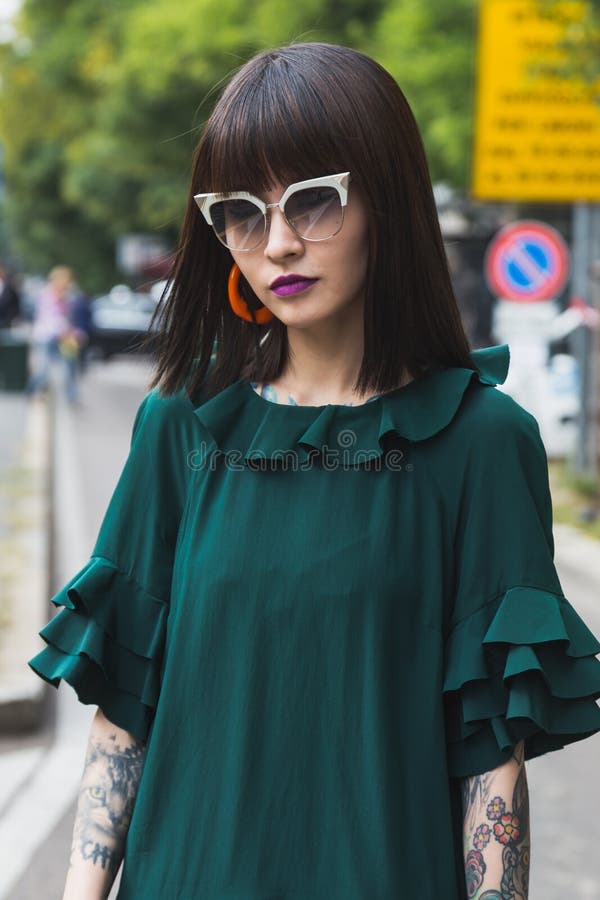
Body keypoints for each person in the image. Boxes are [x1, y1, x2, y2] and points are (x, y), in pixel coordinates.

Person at [28, 43, 600, 900]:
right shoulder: (179, 425)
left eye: (314, 200)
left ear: (387, 202)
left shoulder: (482, 441)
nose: (280, 243)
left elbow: (493, 768)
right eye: (244, 214)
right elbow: (125, 718)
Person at [26, 265, 82, 404]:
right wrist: (62, 330)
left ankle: (71, 396)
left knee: (70, 367)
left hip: (64, 337)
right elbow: (48, 318)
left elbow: (70, 318)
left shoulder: (67, 297)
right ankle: (31, 391)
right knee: (43, 370)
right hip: (47, 337)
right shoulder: (47, 296)